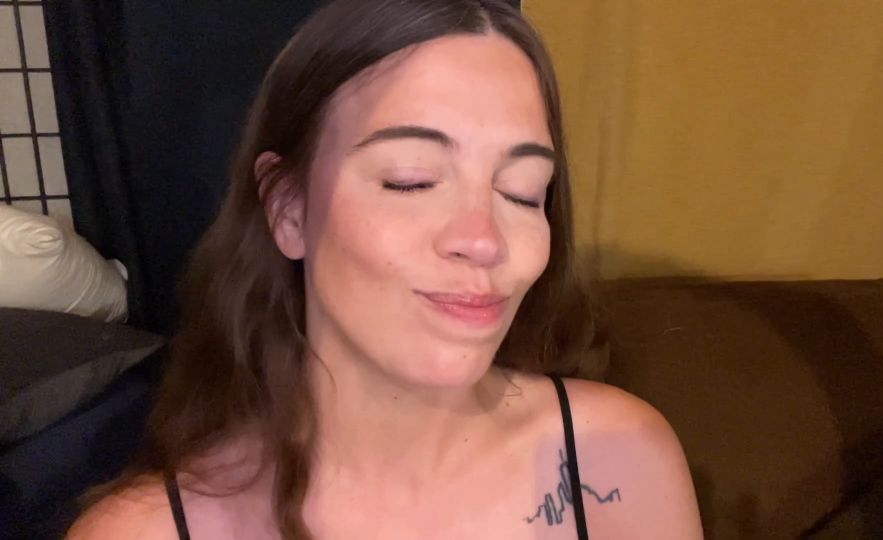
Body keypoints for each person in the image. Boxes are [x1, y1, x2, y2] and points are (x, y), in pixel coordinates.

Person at [68, 0, 702, 538]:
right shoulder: (147, 531)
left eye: (522, 192)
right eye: (411, 181)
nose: (482, 240)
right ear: (288, 208)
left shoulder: (617, 458)